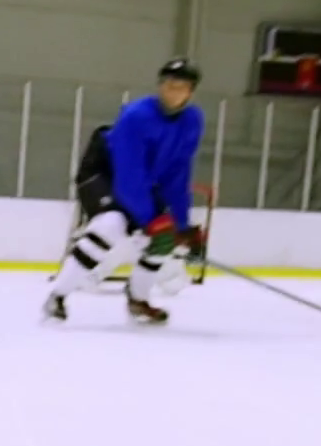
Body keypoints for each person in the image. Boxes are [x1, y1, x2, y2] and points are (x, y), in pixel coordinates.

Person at [43, 58, 207, 326]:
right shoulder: (137, 116)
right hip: (104, 173)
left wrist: (181, 224)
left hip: (143, 181)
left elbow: (178, 172)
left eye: (181, 87)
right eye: (169, 84)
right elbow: (129, 176)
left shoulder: (192, 121)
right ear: (160, 85)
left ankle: (138, 299)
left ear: (191, 92)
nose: (173, 91)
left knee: (164, 239)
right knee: (110, 225)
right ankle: (57, 296)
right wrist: (150, 220)